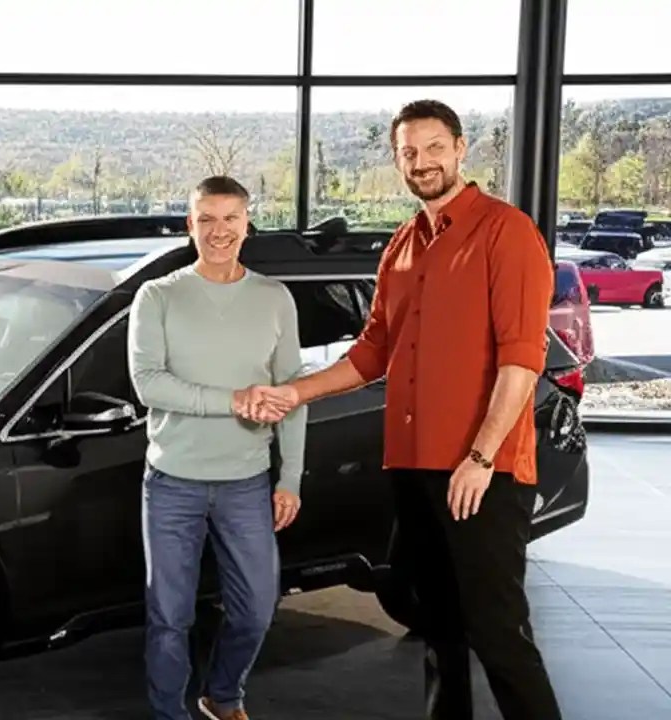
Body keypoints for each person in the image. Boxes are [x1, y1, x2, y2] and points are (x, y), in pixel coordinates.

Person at [248, 99, 562, 720]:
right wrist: (295, 392)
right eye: (408, 153)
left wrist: (480, 455)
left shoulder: (506, 231)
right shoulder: (403, 244)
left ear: (460, 147)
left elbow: (521, 360)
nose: (421, 162)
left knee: (498, 634)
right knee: (438, 632)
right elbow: (373, 353)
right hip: (414, 466)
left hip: (483, 474)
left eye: (433, 147)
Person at [127, 175, 307, 720]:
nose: (219, 230)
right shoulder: (157, 296)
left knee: (256, 610)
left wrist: (290, 477)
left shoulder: (274, 299)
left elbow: (292, 394)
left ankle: (222, 694)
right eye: (206, 219)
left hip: (247, 483)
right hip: (171, 484)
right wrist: (233, 400)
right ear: (190, 226)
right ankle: (169, 715)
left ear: (247, 224)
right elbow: (148, 384)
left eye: (230, 218)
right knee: (169, 617)